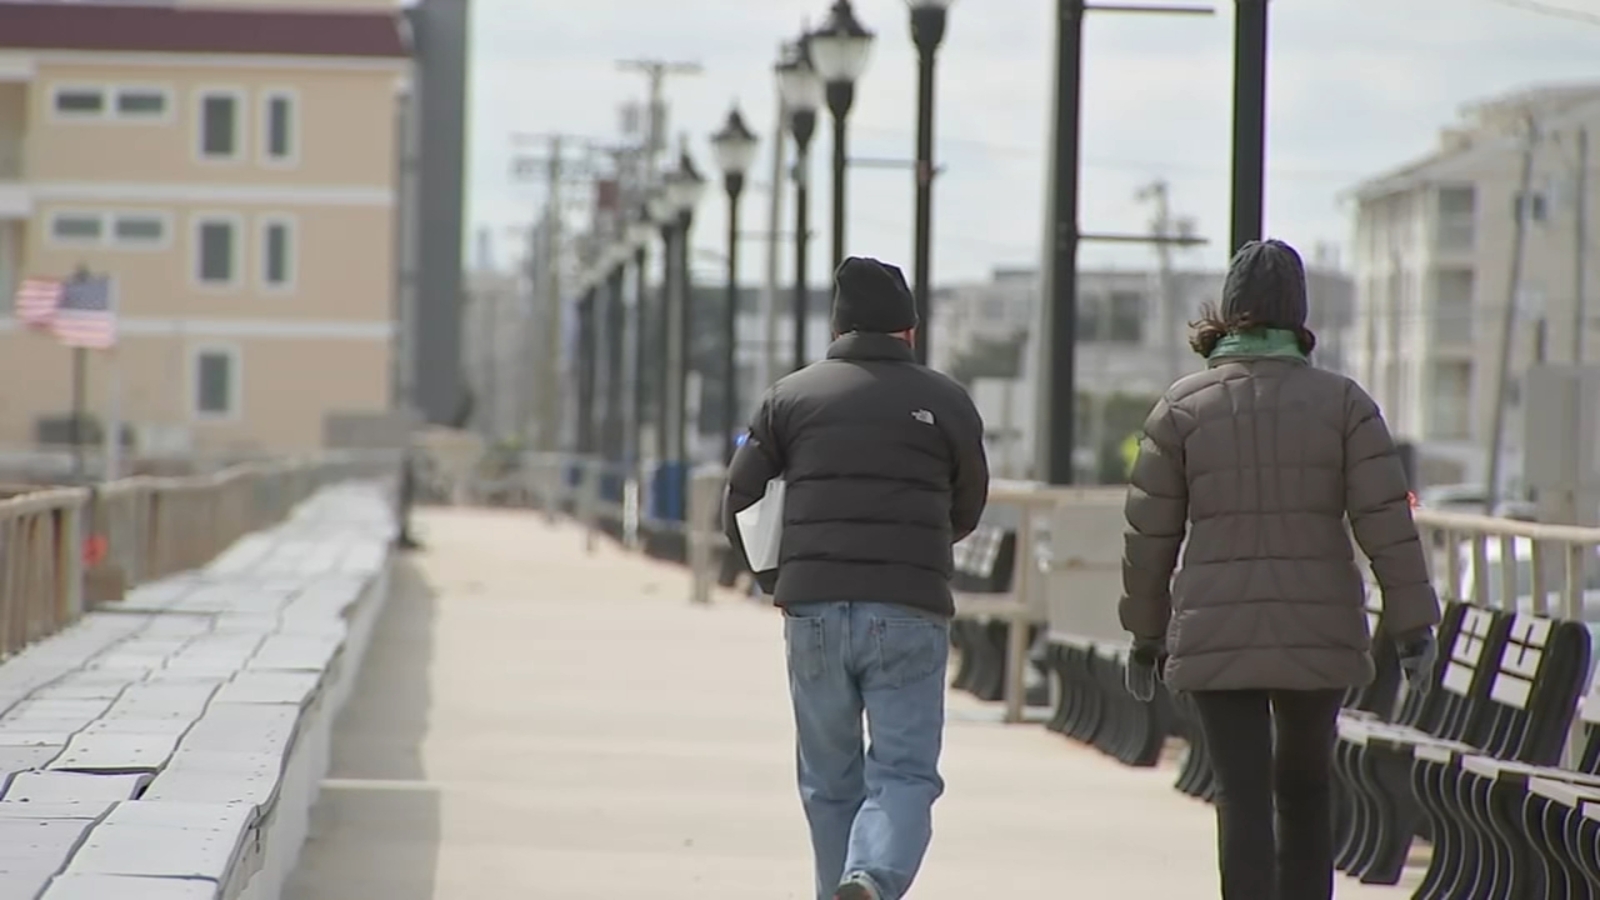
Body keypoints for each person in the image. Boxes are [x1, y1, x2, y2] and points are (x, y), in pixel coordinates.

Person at [1118, 238, 1440, 900]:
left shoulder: (1181, 409)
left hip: (1216, 630)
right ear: (1299, 314)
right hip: (1318, 629)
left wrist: (1145, 636)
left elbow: (1151, 537)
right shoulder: (1345, 405)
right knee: (1306, 788)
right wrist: (1412, 628)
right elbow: (1387, 524)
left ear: (1229, 309)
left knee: (1239, 792)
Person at [722, 256, 990, 900]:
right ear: (910, 331)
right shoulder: (946, 401)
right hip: (908, 609)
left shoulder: (789, 398)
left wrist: (777, 577)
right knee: (903, 773)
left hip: (812, 610)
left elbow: (739, 500)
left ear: (837, 329)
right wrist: (919, 550)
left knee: (828, 782)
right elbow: (968, 504)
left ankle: (845, 886)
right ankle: (870, 878)